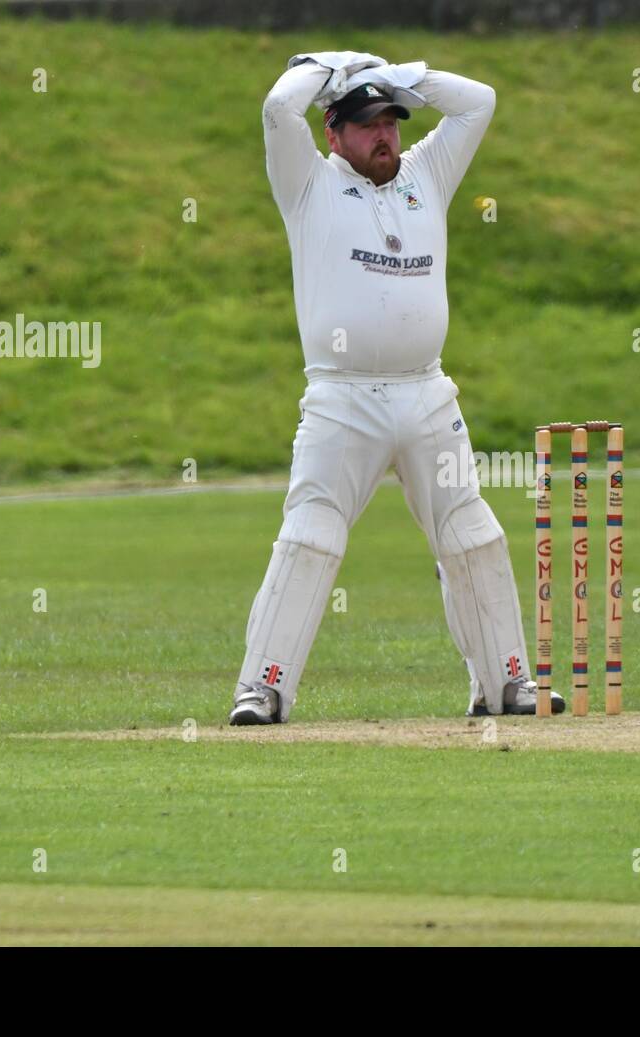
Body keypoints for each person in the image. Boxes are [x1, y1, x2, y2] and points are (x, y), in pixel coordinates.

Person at [229, 50, 564, 725]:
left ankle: (506, 684)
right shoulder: (307, 184)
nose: (385, 134)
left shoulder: (426, 174)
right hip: (341, 399)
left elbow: (480, 99)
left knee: (471, 532)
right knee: (311, 536)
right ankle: (262, 689)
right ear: (334, 132)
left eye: (392, 120)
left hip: (427, 395)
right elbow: (275, 108)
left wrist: (404, 74)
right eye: (367, 122)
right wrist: (329, 66)